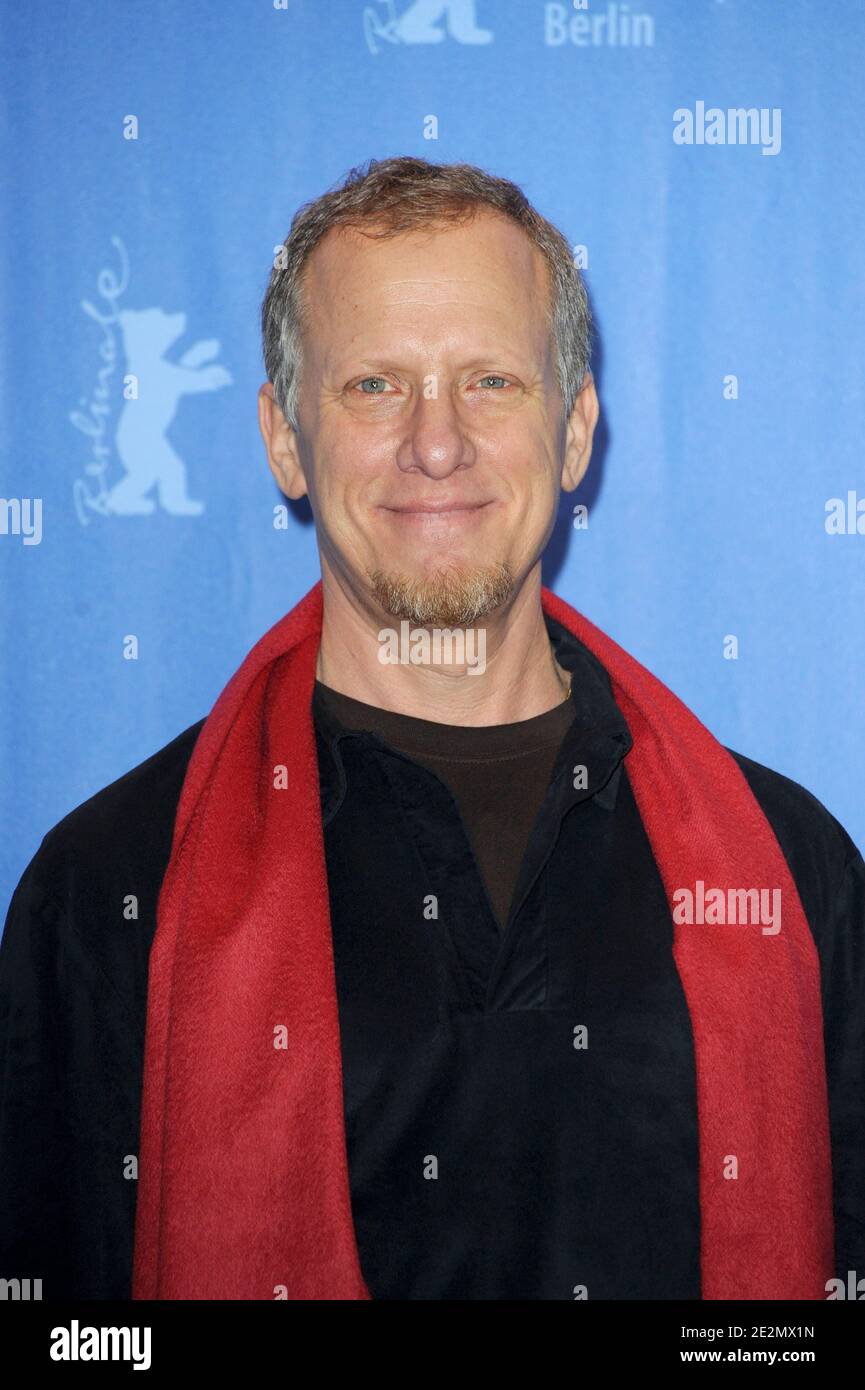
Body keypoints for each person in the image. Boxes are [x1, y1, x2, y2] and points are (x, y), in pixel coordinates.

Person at [1, 155, 862, 1302]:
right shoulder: (106, 887)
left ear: (574, 432)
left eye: (491, 381)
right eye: (374, 386)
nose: (437, 444)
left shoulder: (792, 871)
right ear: (284, 439)